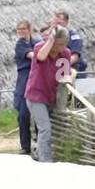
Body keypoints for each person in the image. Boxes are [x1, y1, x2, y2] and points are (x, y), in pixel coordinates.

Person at [23, 25, 73, 163]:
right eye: (57, 44)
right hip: (36, 95)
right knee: (45, 129)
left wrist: (69, 79)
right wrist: (50, 40)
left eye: (63, 44)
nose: (60, 48)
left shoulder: (66, 54)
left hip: (52, 96)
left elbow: (66, 74)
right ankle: (46, 163)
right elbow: (41, 57)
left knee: (56, 128)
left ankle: (45, 155)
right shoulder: (40, 47)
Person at [12, 20, 40, 156]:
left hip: (37, 79)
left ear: (29, 29)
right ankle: (25, 145)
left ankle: (40, 142)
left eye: (23, 29)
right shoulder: (20, 45)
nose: (21, 31)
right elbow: (34, 56)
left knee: (38, 112)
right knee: (23, 114)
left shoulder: (36, 42)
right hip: (24, 79)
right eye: (18, 29)